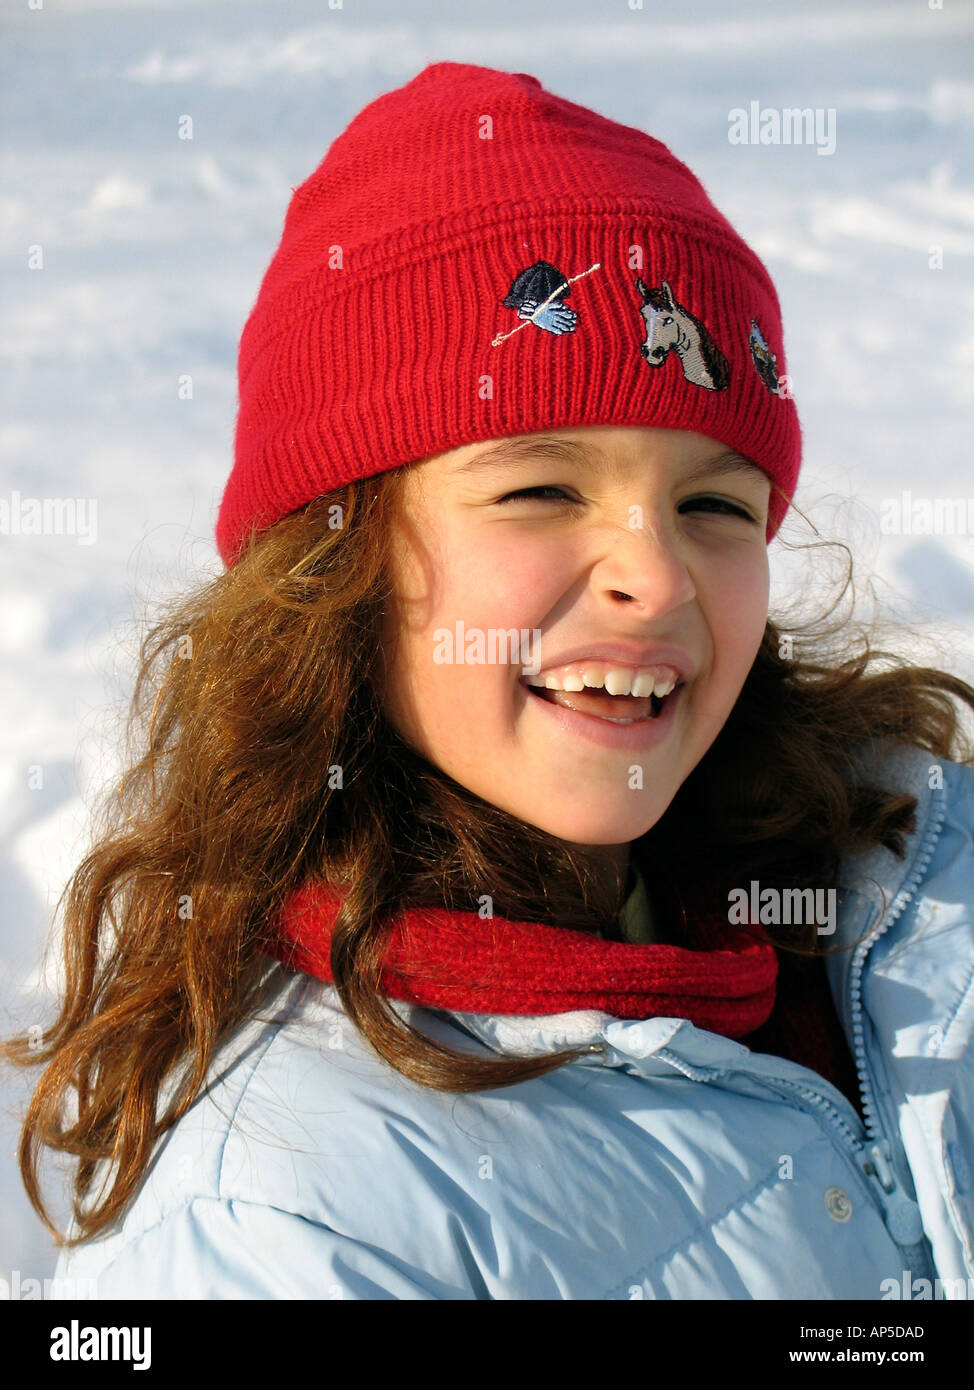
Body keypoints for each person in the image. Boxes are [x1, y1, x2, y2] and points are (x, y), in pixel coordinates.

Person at [5, 61, 974, 1300]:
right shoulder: (288, 1224)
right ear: (331, 566)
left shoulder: (905, 880)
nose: (658, 572)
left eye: (714, 504)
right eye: (540, 489)